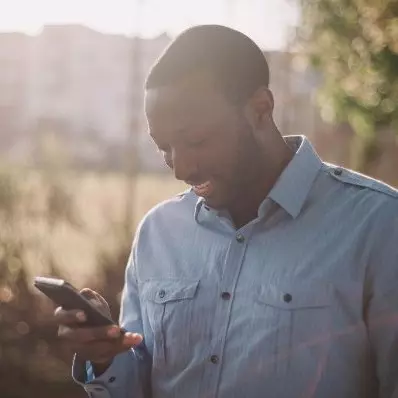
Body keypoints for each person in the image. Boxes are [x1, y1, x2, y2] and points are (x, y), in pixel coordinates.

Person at [54, 25, 398, 398]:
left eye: (196, 141)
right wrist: (106, 358)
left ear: (260, 109)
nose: (181, 169)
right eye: (164, 147)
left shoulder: (379, 226)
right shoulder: (158, 233)